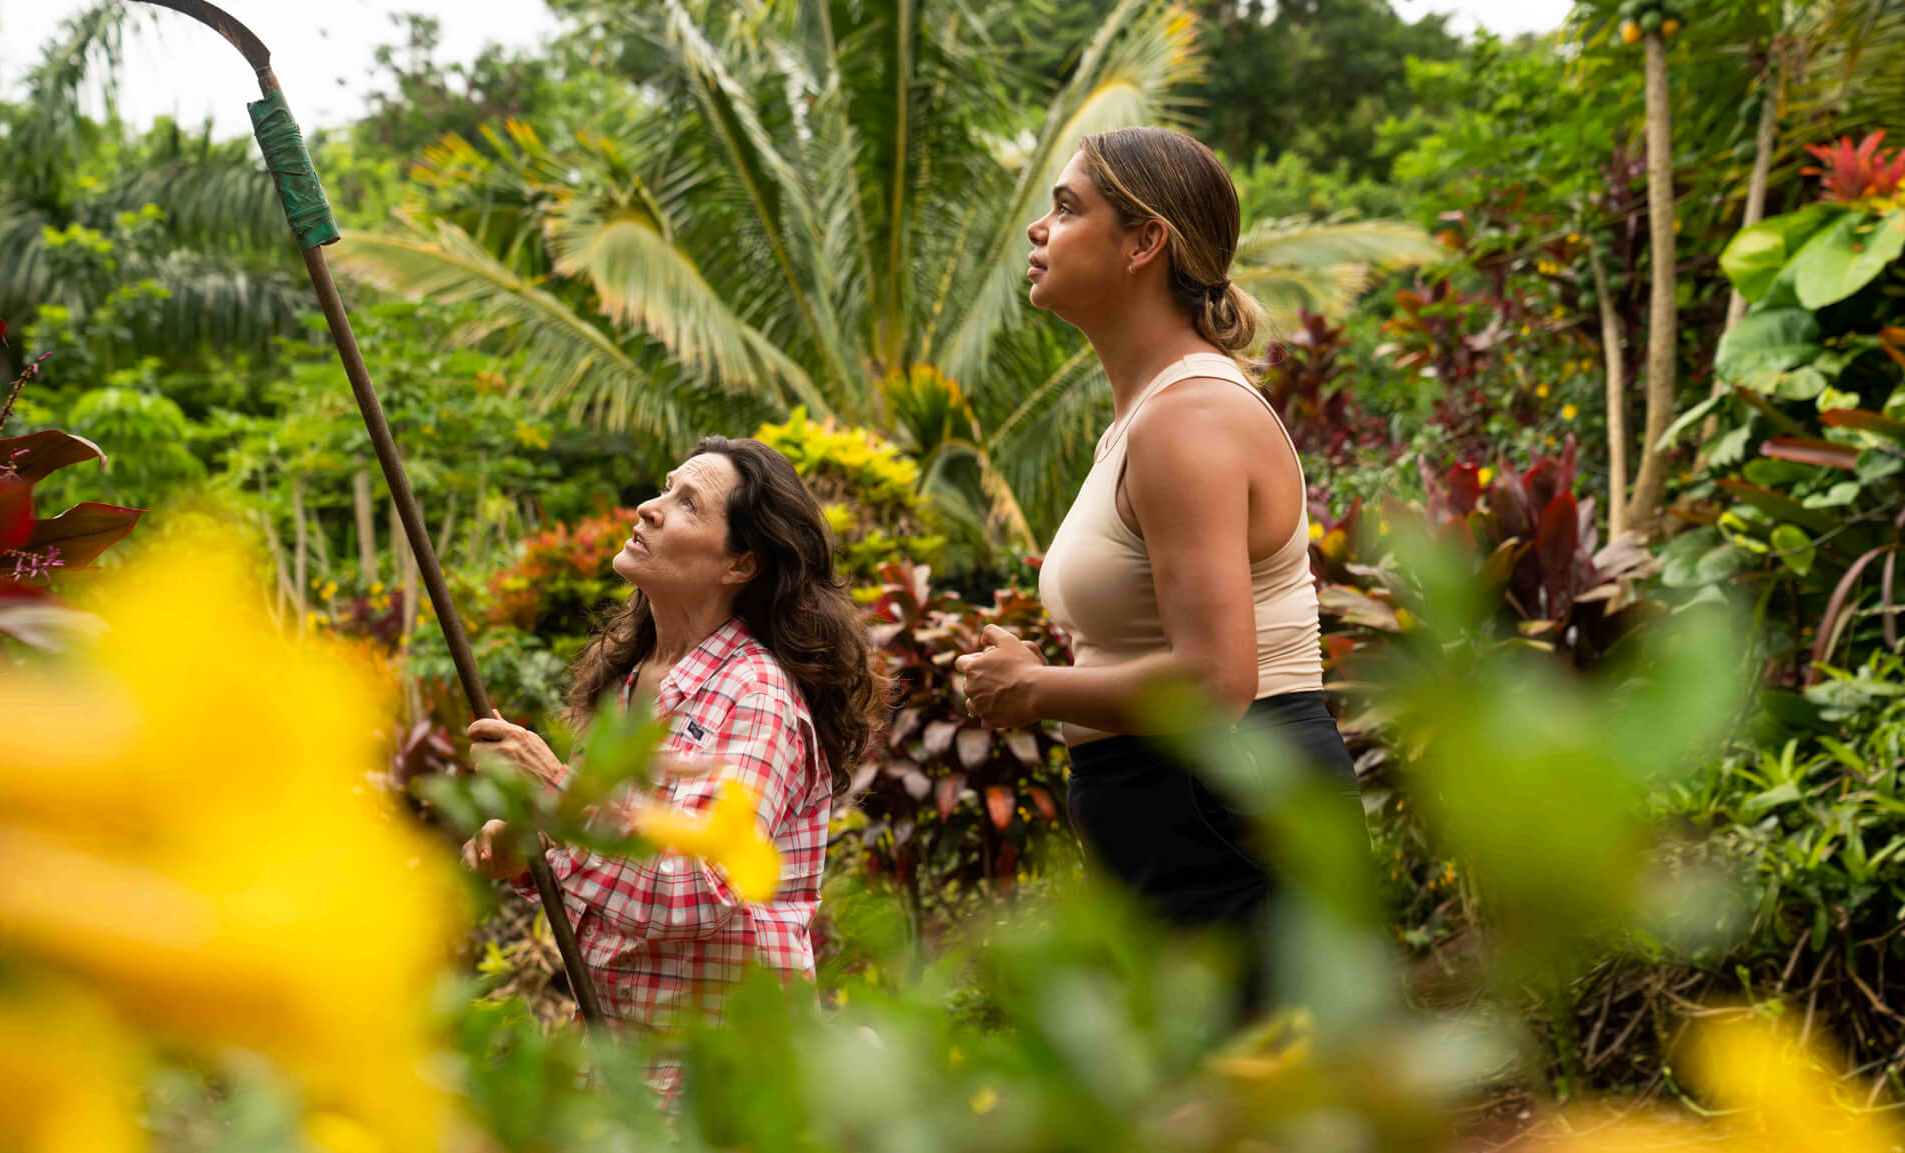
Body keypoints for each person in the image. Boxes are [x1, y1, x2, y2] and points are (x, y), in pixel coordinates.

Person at [957, 126, 1359, 936]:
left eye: (1067, 208)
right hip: (1189, 811)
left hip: (1230, 809)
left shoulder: (1189, 418)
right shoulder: (1150, 415)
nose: (1039, 229)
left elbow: (1215, 683)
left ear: (1145, 242)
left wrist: (1032, 689)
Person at [461, 437, 883, 1093]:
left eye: (687, 503)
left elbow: (698, 885)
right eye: (664, 488)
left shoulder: (758, 699)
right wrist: (528, 849)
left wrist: (552, 788)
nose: (648, 508)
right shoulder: (627, 688)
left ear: (740, 563)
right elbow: (611, 876)